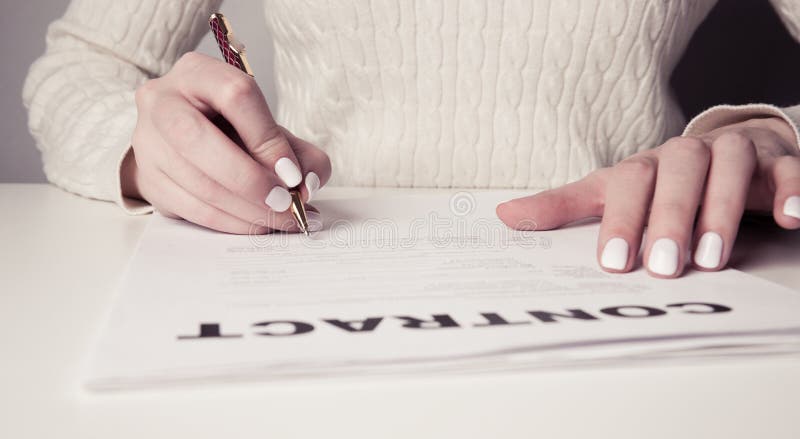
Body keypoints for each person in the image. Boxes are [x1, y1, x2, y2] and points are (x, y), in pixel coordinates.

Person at [23, 0, 800, 279]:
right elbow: (81, 68)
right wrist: (145, 145)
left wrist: (773, 138)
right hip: (307, 293)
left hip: (640, 284)